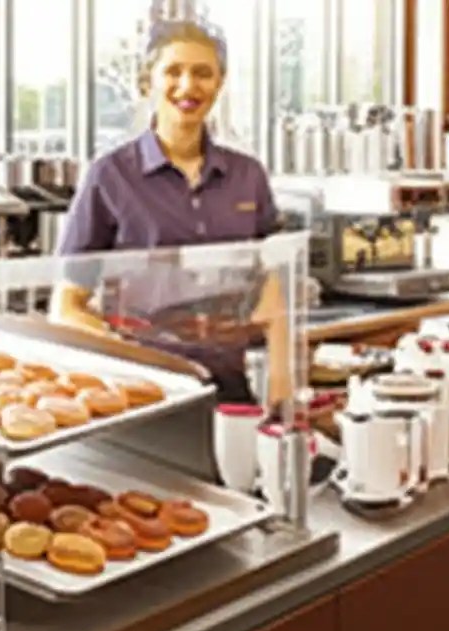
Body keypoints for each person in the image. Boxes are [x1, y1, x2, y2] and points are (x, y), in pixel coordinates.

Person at [50, 20, 286, 402]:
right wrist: (127, 355)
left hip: (228, 385)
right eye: (173, 71)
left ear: (219, 84)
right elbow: (66, 307)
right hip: (143, 390)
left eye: (203, 73)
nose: (188, 86)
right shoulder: (109, 175)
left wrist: (281, 383)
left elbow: (274, 287)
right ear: (148, 83)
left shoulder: (248, 175)